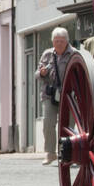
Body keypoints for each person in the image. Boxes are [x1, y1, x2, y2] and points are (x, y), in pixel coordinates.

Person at [37, 28, 78, 165]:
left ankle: (67, 153)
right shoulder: (47, 54)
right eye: (56, 41)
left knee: (67, 125)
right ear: (52, 41)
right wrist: (41, 73)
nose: (59, 43)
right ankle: (50, 153)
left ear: (67, 41)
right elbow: (37, 74)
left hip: (69, 95)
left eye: (61, 41)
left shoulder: (74, 54)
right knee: (48, 123)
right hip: (50, 95)